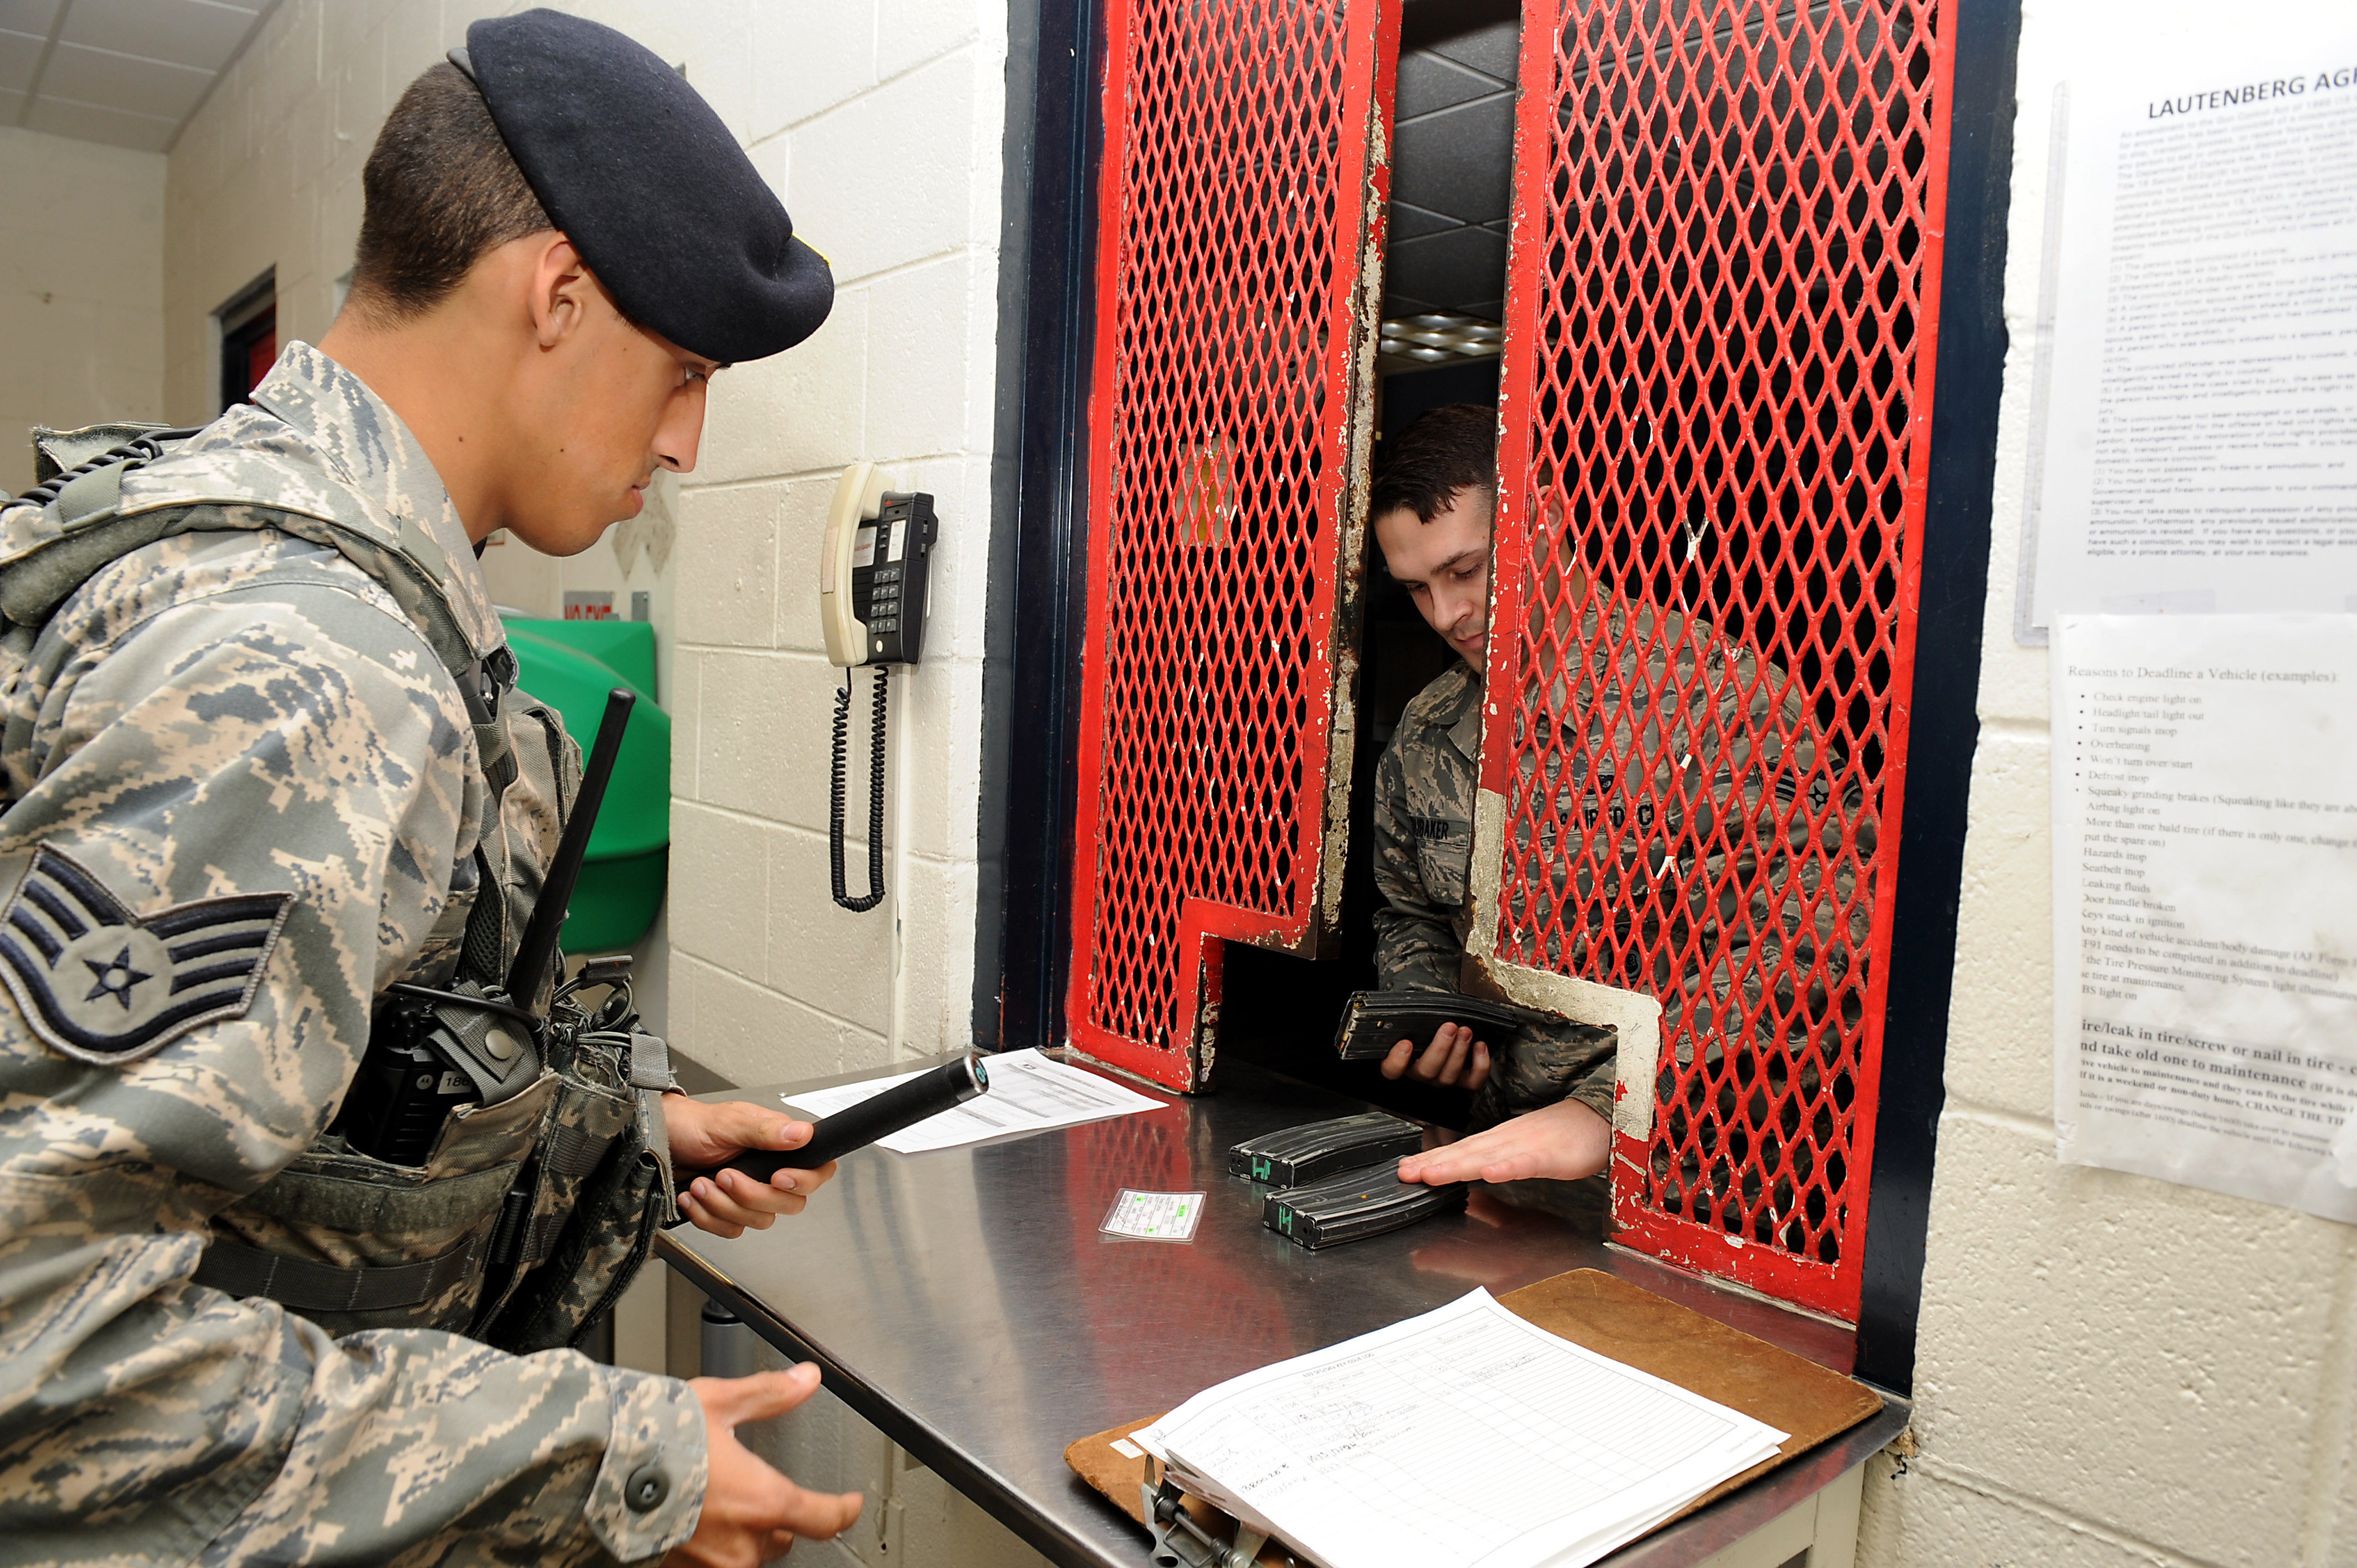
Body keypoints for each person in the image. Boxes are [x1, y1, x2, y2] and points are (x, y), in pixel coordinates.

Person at [0, 13, 863, 1566]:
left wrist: (624, 1137)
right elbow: (36, 1356)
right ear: (558, 295)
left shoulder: (334, 577)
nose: (685, 441)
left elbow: (333, 1105)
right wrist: (600, 1458)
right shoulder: (305, 667)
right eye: (683, 372)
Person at [1366, 405, 1867, 1208]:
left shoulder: (1720, 699)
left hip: (1696, 1184)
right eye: (1418, 589)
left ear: (1546, 519)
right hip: (1502, 1162)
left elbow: (1824, 938)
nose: (1446, 615)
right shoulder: (1430, 730)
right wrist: (1429, 1015)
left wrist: (1611, 1110)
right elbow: (1412, 913)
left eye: (1467, 571)